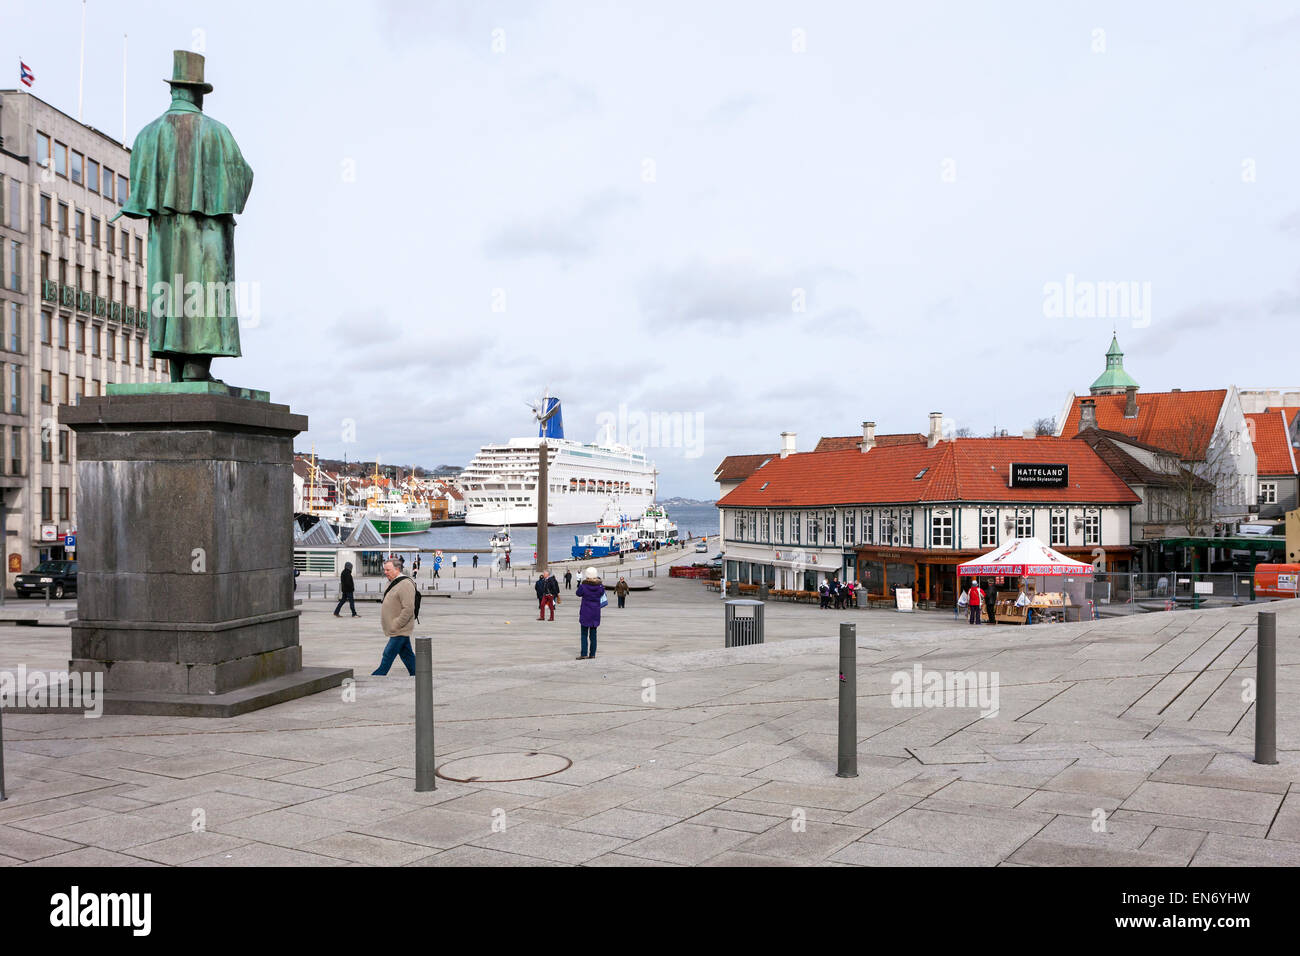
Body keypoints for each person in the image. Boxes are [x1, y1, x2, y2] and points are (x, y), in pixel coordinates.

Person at [372, 558, 417, 676]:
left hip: (399, 629)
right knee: (407, 655)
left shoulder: (405, 584)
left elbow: (408, 608)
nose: (385, 572)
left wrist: (395, 624)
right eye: (384, 570)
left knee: (388, 655)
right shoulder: (392, 582)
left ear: (397, 569)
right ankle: (420, 675)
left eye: (388, 570)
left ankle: (376, 678)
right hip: (397, 628)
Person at [574, 567, 604, 659]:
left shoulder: (583, 586)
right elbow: (602, 593)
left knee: (584, 634)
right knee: (593, 635)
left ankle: (584, 653)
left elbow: (578, 593)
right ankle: (592, 654)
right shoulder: (600, 587)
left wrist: (583, 583)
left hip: (586, 612)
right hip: (595, 612)